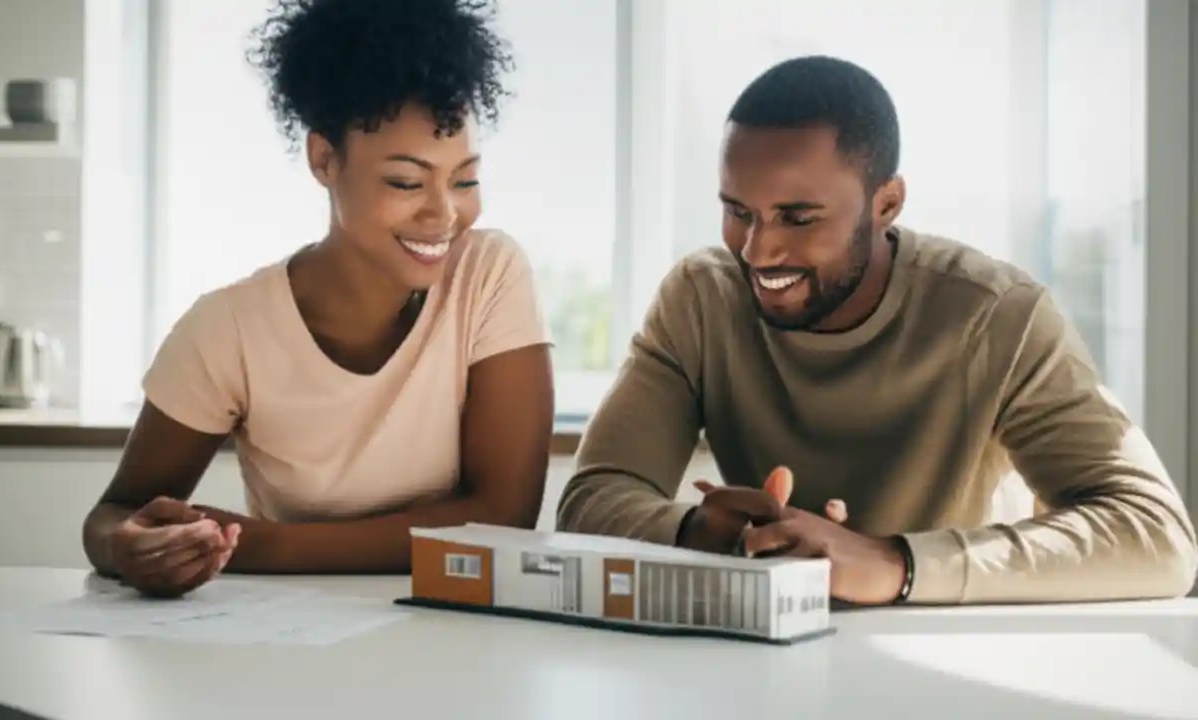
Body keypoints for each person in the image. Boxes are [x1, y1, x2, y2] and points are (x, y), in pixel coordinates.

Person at [558, 55, 1197, 605]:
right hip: (767, 654)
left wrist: (892, 564)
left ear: (886, 203)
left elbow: (1159, 537)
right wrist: (699, 529)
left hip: (958, 653)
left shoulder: (998, 315)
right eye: (737, 212)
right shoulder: (700, 299)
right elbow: (591, 500)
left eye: (797, 217)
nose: (756, 250)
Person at [83, 0, 554, 598]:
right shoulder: (228, 328)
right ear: (324, 159)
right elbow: (114, 515)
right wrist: (130, 549)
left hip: (457, 637)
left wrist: (259, 544)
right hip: (293, 646)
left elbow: (502, 517)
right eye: (406, 182)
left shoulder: (488, 275)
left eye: (464, 179)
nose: (444, 213)